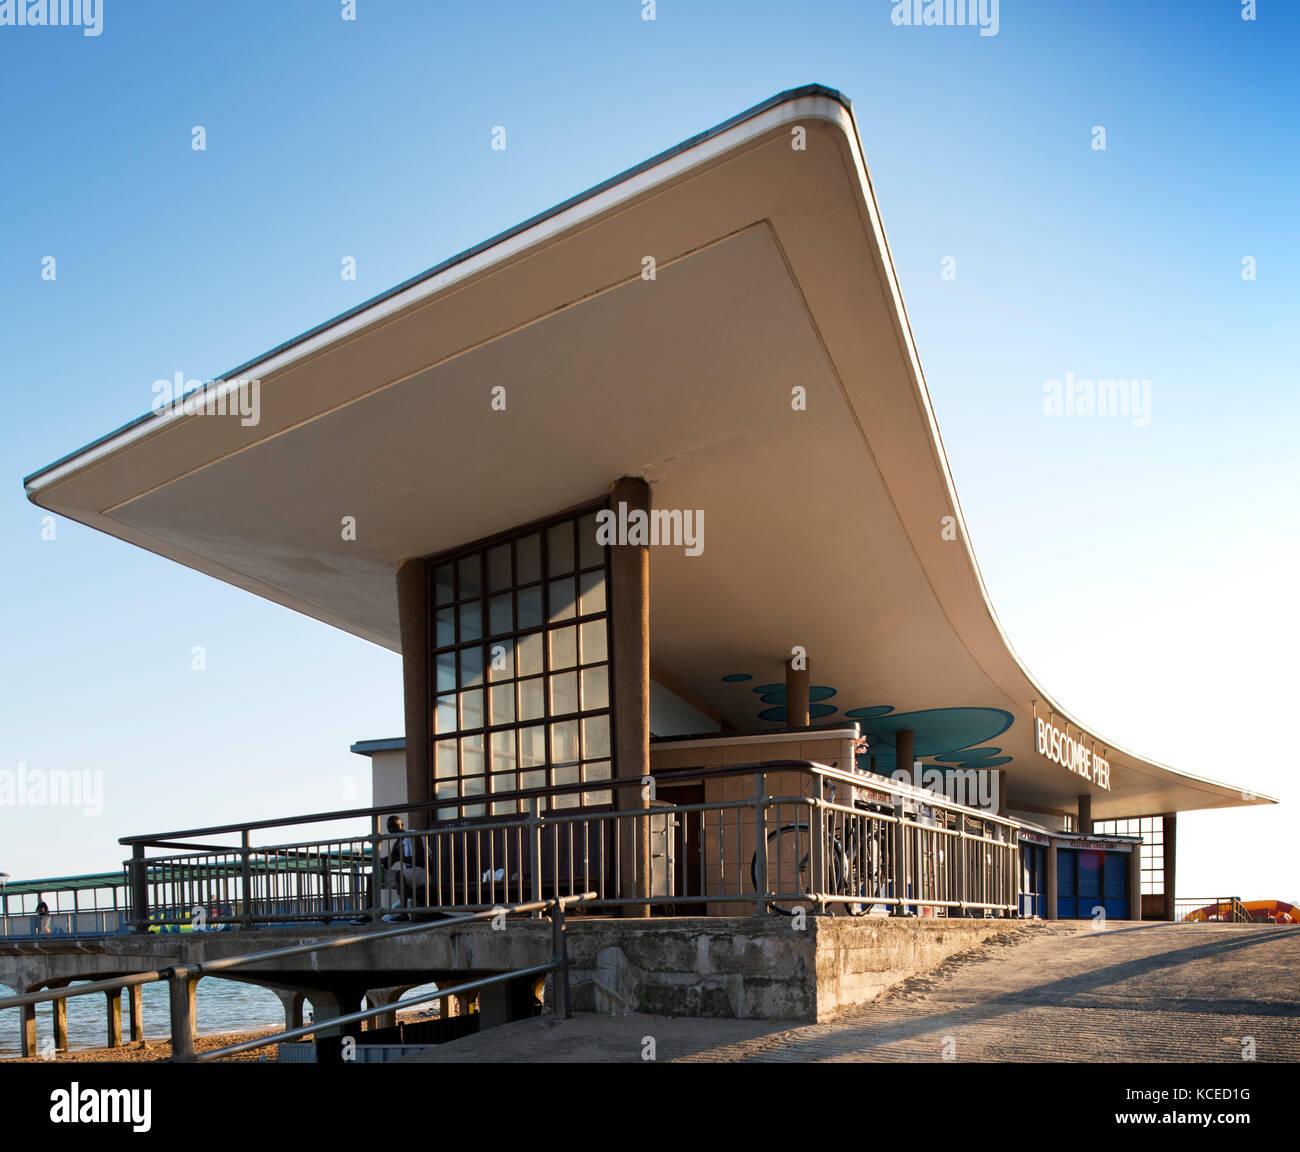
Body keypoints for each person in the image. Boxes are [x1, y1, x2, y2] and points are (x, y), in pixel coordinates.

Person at [381, 816, 429, 923]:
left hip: (423, 872)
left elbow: (421, 858)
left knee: (400, 875)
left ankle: (403, 914)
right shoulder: (397, 844)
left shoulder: (412, 836)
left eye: (395, 826)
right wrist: (383, 861)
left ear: (402, 825)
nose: (392, 829)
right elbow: (390, 863)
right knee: (373, 877)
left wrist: (398, 858)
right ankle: (370, 913)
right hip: (409, 874)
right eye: (389, 827)